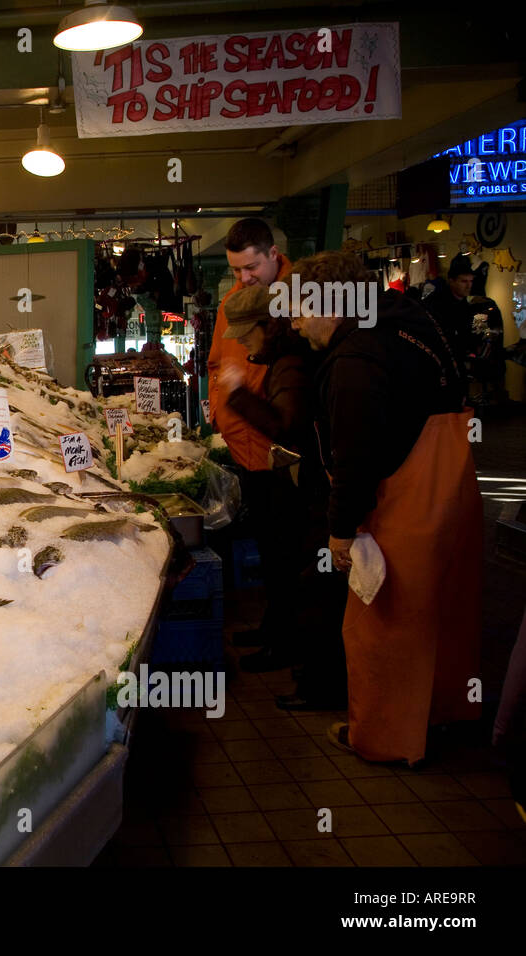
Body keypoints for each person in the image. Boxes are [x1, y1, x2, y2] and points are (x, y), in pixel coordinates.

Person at [290, 250, 481, 767]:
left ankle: (384, 738)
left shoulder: (357, 359)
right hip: (451, 496)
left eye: (300, 308)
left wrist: (340, 528)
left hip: (404, 506)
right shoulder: (411, 321)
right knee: (443, 613)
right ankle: (443, 715)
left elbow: (356, 455)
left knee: (384, 625)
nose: (295, 322)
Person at [216, 285, 346, 700]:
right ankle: (282, 641)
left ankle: (307, 670)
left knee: (300, 571)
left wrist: (238, 395)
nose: (241, 341)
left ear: (267, 326)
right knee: (286, 564)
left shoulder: (291, 364)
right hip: (297, 482)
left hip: (307, 488)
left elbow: (287, 425)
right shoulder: (282, 358)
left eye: (246, 332)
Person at [206, 218, 293, 659]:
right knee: (266, 542)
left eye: (252, 267)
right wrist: (215, 407)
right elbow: (216, 362)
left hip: (279, 452)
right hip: (243, 446)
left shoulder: (297, 302)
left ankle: (284, 641)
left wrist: (239, 398)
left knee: (287, 550)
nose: (244, 278)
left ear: (273, 253)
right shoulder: (233, 303)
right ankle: (272, 628)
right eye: (236, 270)